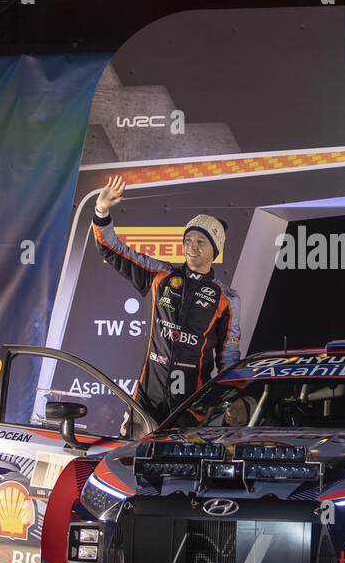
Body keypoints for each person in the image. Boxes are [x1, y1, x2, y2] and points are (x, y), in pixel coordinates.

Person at [90, 174, 241, 420]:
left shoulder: (226, 298)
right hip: (145, 402)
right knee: (131, 457)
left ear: (215, 249)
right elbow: (113, 249)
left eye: (201, 241)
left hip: (192, 409)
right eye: (188, 239)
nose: (192, 246)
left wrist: (231, 400)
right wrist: (101, 210)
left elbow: (229, 360)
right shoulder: (161, 275)